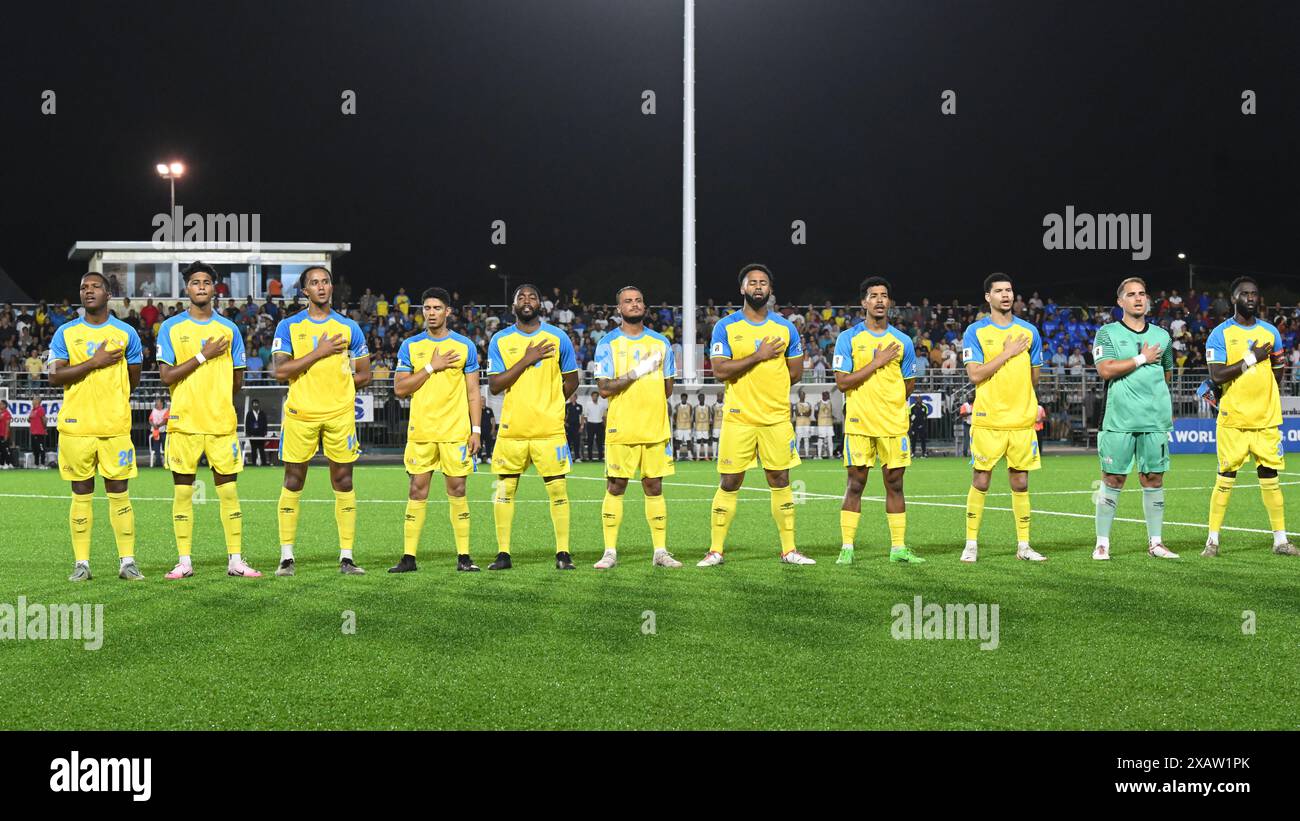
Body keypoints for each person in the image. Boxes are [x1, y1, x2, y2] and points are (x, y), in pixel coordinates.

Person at [699, 264, 813, 566]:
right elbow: (721, 371)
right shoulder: (726, 326)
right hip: (739, 417)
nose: (758, 287)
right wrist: (758, 356)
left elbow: (796, 372)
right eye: (753, 283)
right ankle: (716, 550)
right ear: (742, 289)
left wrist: (769, 383)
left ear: (770, 290)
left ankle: (789, 550)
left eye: (763, 283)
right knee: (730, 480)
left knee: (780, 478)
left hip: (775, 417)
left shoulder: (786, 327)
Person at [157, 262, 260, 579]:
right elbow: (166, 376)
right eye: (194, 282)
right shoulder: (171, 328)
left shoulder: (229, 329)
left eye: (206, 282)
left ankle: (236, 560)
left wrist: (214, 395)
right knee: (183, 493)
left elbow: (238, 380)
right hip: (184, 422)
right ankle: (184, 561)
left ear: (215, 288)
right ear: (187, 288)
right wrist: (204, 355)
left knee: (229, 493)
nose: (200, 286)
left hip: (220, 423)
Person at [271, 266, 372, 576]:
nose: (322, 286)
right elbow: (281, 372)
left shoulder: (350, 327)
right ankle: (287, 556)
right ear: (305, 291)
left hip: (339, 415)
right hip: (301, 414)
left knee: (343, 481)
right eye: (314, 283)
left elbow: (365, 374)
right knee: (293, 480)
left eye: (325, 281)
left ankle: (347, 556)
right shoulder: (288, 326)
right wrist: (320, 351)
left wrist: (341, 386)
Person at [49, 271, 144, 581]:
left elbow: (134, 380)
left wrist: (112, 400)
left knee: (119, 492)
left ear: (108, 294)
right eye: (83, 287)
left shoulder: (127, 333)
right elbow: (54, 376)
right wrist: (94, 362)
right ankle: (82, 564)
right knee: (81, 492)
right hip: (77, 429)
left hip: (114, 427)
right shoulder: (65, 333)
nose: (88, 291)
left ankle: (127, 562)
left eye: (95, 287)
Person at [486, 284, 581, 570]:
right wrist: (526, 360)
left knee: (558, 491)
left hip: (549, 430)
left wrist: (552, 403)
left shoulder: (558, 337)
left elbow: (572, 380)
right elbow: (494, 385)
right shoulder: (500, 340)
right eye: (521, 297)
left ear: (541, 304)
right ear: (513, 304)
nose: (527, 301)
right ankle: (503, 554)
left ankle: (563, 554)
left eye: (532, 297)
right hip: (513, 429)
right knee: (505, 490)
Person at [388, 288, 482, 573]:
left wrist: (476, 429)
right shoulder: (411, 346)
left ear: (448, 312)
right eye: (426, 308)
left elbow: (474, 392)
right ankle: (408, 557)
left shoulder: (465, 345)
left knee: (458, 489)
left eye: (436, 308)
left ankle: (464, 557)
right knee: (417, 490)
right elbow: (400, 388)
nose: (430, 313)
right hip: (422, 431)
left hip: (455, 431)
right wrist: (431, 366)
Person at [1203, 277, 1296, 557]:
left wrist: (1265, 390)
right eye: (1245, 294)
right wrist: (1252, 359)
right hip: (1234, 419)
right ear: (1234, 299)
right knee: (1225, 477)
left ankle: (1280, 541)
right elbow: (1216, 376)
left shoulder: (1271, 332)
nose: (1251, 298)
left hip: (1265, 419)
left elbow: (1279, 369)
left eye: (1255, 293)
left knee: (1270, 476)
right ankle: (1212, 541)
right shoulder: (1220, 334)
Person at [833, 276, 924, 564]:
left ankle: (898, 548)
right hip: (860, 424)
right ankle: (847, 547)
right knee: (855, 484)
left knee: (895, 484)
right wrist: (876, 362)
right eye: (874, 296)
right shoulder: (848, 339)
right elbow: (843, 382)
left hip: (894, 424)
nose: (880, 300)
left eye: (884, 295)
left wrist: (890, 401)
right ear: (864, 302)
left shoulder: (903, 341)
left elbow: (908, 383)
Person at [591, 285, 682, 569]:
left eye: (638, 300)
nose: (634, 304)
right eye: (628, 301)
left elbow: (668, 389)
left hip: (655, 428)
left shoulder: (661, 343)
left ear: (644, 306)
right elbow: (604, 388)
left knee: (654, 486)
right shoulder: (608, 343)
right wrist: (638, 372)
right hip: (622, 428)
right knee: (616, 486)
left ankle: (660, 552)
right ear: (619, 309)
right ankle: (609, 552)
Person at [960, 273, 1047, 562]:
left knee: (1020, 483)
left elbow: (1034, 377)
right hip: (988, 419)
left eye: (1009, 290)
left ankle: (1024, 546)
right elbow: (975, 374)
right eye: (999, 291)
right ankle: (971, 544)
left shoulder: (1030, 331)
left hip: (1021, 421)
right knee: (981, 480)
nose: (1005, 295)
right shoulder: (975, 331)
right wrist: (1007, 353)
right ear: (988, 297)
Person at [1091, 277, 1176, 561]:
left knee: (1153, 478)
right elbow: (1106, 369)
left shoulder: (1163, 336)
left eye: (1142, 294)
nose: (1138, 298)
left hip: (1154, 421)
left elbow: (1167, 373)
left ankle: (1156, 543)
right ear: (1120, 302)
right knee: (1113, 478)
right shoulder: (1107, 333)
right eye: (1131, 294)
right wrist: (1140, 359)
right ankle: (1102, 543)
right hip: (1119, 420)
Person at [244, 398, 269, 466]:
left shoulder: (262, 413)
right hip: (252, 435)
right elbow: (247, 424)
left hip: (261, 435)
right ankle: (254, 463)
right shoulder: (249, 414)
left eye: (257, 404)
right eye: (254, 404)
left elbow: (265, 423)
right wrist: (248, 433)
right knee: (253, 449)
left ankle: (264, 463)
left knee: (261, 449)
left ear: (259, 405)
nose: (255, 405)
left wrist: (265, 433)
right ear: (252, 405)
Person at [583, 391, 607, 461]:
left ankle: (600, 457)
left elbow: (604, 416)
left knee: (600, 441)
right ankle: (590, 457)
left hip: (599, 424)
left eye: (596, 396)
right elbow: (585, 415)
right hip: (590, 424)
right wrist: (587, 423)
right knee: (590, 441)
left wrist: (605, 425)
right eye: (593, 396)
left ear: (598, 397)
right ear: (591, 397)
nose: (595, 397)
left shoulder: (602, 405)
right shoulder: (588, 404)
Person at [792, 389, 813, 457]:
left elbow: (809, 414)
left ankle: (807, 454)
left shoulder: (808, 404)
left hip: (807, 424)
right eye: (801, 395)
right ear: (799, 396)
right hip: (799, 424)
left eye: (803, 395)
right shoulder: (796, 404)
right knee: (798, 439)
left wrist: (801, 413)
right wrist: (803, 413)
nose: (802, 396)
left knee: (806, 439)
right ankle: (797, 455)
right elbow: (797, 414)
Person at [148, 398, 168, 468]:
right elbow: (150, 420)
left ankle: (166, 461)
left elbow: (165, 420)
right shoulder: (154, 411)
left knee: (165, 446)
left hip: (163, 431)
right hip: (156, 431)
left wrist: (158, 425)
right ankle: (158, 461)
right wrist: (154, 425)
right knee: (156, 447)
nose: (156, 403)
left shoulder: (166, 411)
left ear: (162, 403)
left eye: (158, 401)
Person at [672, 392, 693, 460]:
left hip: (687, 427)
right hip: (679, 427)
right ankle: (678, 456)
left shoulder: (689, 406)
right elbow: (674, 415)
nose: (684, 399)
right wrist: (676, 423)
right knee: (678, 441)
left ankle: (689, 456)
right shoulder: (677, 406)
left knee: (688, 441)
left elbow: (690, 415)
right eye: (683, 398)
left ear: (686, 398)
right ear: (681, 398)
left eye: (685, 398)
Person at [814, 391, 835, 459]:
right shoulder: (818, 403)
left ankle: (831, 455)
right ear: (823, 396)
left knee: (830, 439)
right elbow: (815, 414)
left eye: (828, 395)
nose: (828, 396)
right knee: (821, 439)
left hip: (829, 424)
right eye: (826, 395)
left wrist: (832, 417)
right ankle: (819, 455)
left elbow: (830, 412)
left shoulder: (830, 403)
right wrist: (819, 420)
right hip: (821, 424)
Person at [692, 392, 712, 460]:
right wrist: (694, 426)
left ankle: (706, 456)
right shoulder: (695, 407)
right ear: (698, 399)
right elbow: (694, 418)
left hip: (706, 427)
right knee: (698, 441)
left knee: (706, 441)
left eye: (703, 397)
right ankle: (698, 457)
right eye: (700, 398)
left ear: (704, 398)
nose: (702, 399)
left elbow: (709, 417)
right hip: (698, 427)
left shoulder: (708, 407)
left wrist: (709, 426)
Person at [28, 398, 48, 467]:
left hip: (39, 433)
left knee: (41, 448)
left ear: (37, 401)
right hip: (33, 432)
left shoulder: (40, 409)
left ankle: (42, 464)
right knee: (35, 449)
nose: (32, 401)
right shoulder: (33, 410)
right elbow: (29, 420)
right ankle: (36, 464)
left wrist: (45, 428)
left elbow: (44, 420)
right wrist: (29, 418)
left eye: (33, 400)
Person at [0, 401, 12, 468]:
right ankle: (1, 464)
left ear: (4, 405)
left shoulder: (7, 414)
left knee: (5, 449)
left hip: (4, 434)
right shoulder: (1, 413)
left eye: (1, 404)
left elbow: (8, 425)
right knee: (1, 450)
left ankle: (8, 463)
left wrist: (6, 435)